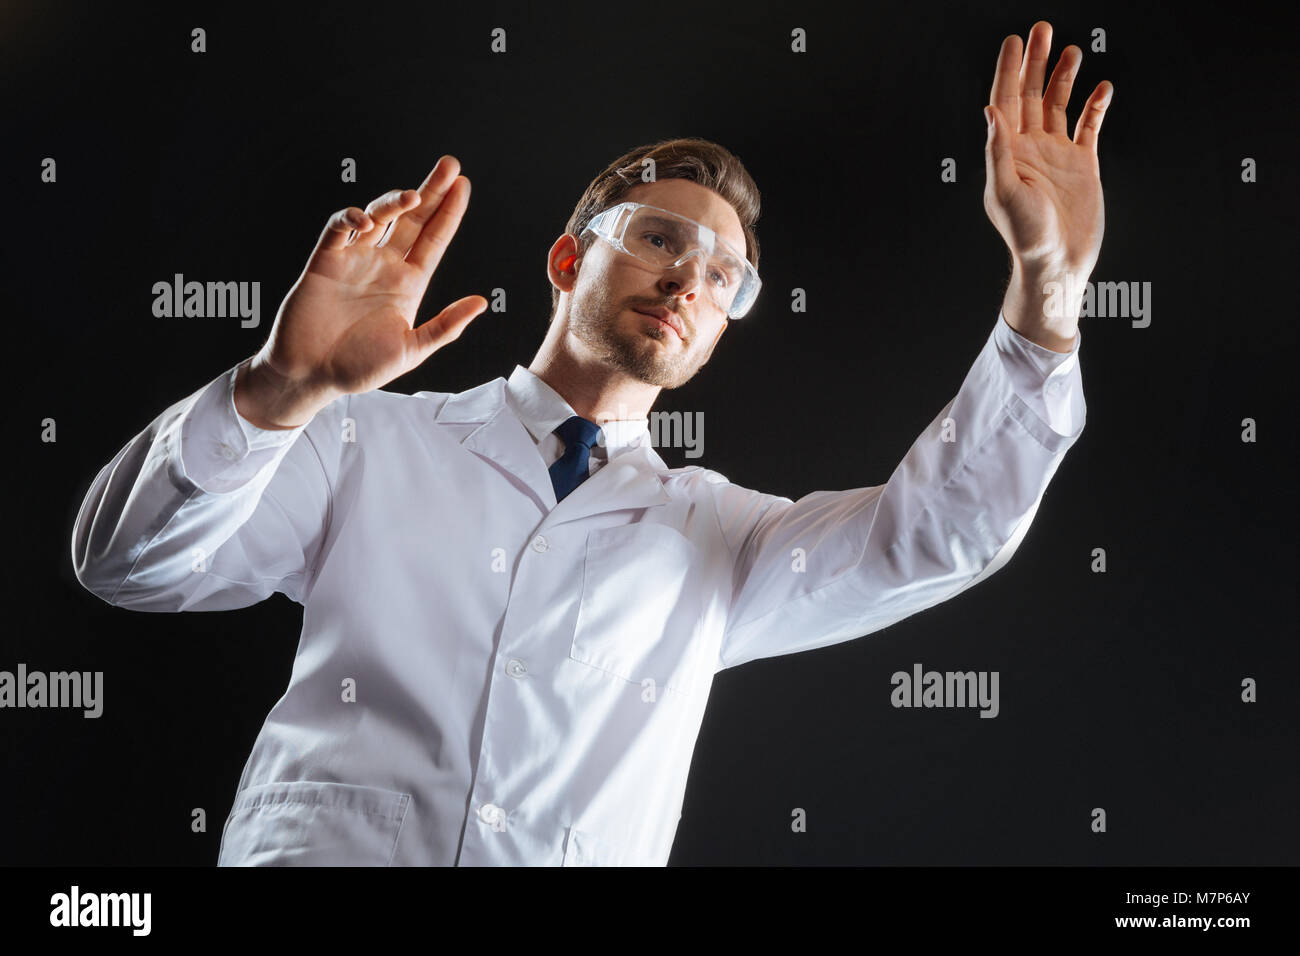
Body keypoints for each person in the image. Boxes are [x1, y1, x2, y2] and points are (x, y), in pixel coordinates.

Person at [71, 21, 1111, 865]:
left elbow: (939, 535)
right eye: (660, 237)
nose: (687, 279)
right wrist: (278, 386)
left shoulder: (721, 538)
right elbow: (127, 564)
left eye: (723, 277)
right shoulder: (359, 440)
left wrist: (1046, 284)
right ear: (570, 258)